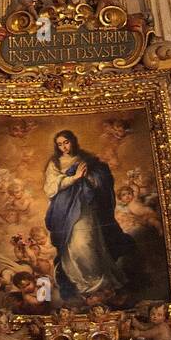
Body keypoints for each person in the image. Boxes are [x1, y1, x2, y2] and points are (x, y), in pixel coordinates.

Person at [43, 130, 134, 303]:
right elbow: (50, 187)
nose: (64, 147)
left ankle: (100, 285)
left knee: (87, 243)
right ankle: (85, 285)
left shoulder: (87, 160)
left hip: (86, 208)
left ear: (73, 141)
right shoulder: (55, 163)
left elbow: (101, 178)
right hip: (65, 210)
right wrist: (74, 178)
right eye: (60, 144)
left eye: (66, 142)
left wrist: (91, 179)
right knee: (73, 246)